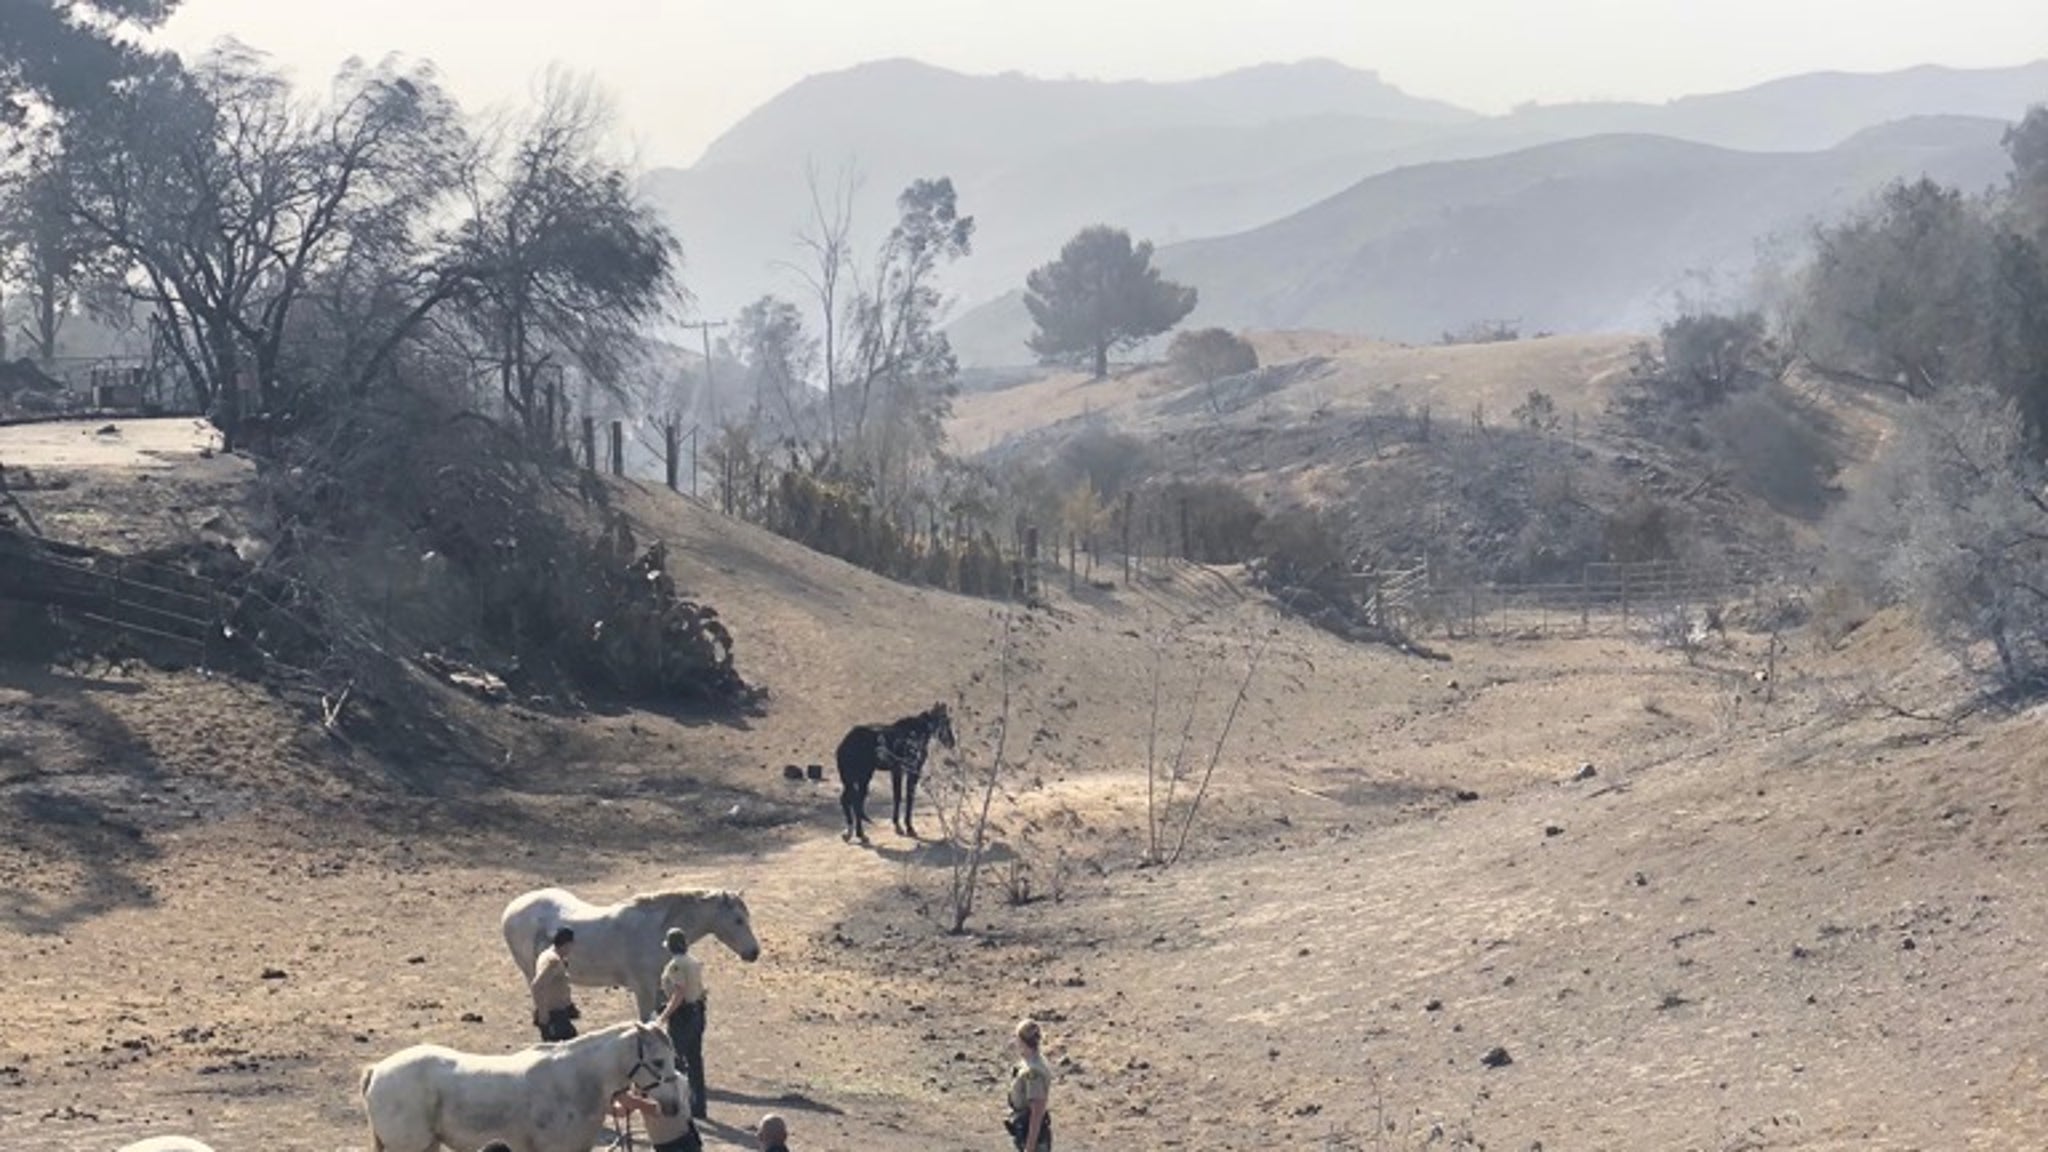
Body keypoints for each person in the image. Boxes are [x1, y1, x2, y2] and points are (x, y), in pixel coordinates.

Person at [656, 927, 708, 1119]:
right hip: (697, 1012)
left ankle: (679, 1105)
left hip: (682, 1016)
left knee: (676, 1061)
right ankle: (699, 1106)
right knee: (695, 1061)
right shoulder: (693, 962)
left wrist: (664, 1015)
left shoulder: (675, 965)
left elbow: (678, 992)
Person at [1004, 1018, 1053, 1151]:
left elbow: (1037, 1110)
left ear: (1022, 1041)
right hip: (1023, 1129)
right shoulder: (1029, 1062)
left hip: (1032, 1136)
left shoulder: (1033, 1071)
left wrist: (1030, 1146)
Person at [613, 1087, 704, 1152]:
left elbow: (658, 1109)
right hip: (660, 1144)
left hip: (681, 1143)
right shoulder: (642, 1083)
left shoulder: (673, 1080)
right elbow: (622, 1111)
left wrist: (629, 1100)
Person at [531, 926, 579, 1042]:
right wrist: (543, 1016)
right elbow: (537, 986)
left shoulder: (547, 954)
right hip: (554, 1016)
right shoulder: (553, 961)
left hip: (557, 1014)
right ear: (567, 944)